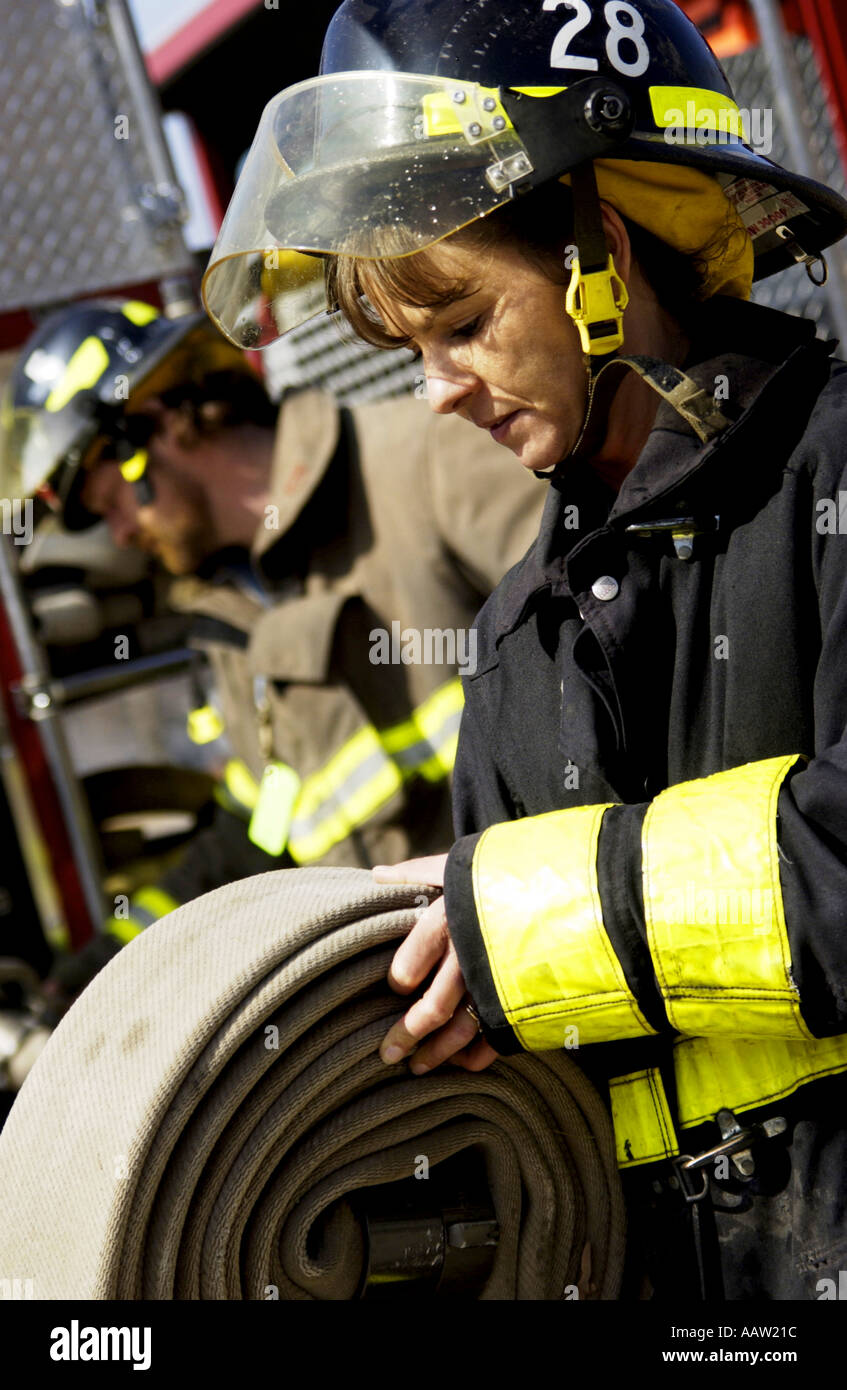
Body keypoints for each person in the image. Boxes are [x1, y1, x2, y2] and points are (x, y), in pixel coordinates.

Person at [204, 0, 847, 1299]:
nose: (434, 387)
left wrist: (526, 919)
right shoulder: (516, 633)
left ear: (596, 255)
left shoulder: (826, 471)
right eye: (407, 348)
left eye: (460, 324)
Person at [0, 299, 543, 986]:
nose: (119, 536)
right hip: (431, 1008)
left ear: (153, 427)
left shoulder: (422, 464)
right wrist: (94, 981)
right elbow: (260, 833)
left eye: (111, 503)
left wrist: (491, 891)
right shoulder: (229, 626)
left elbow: (611, 664)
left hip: (544, 945)